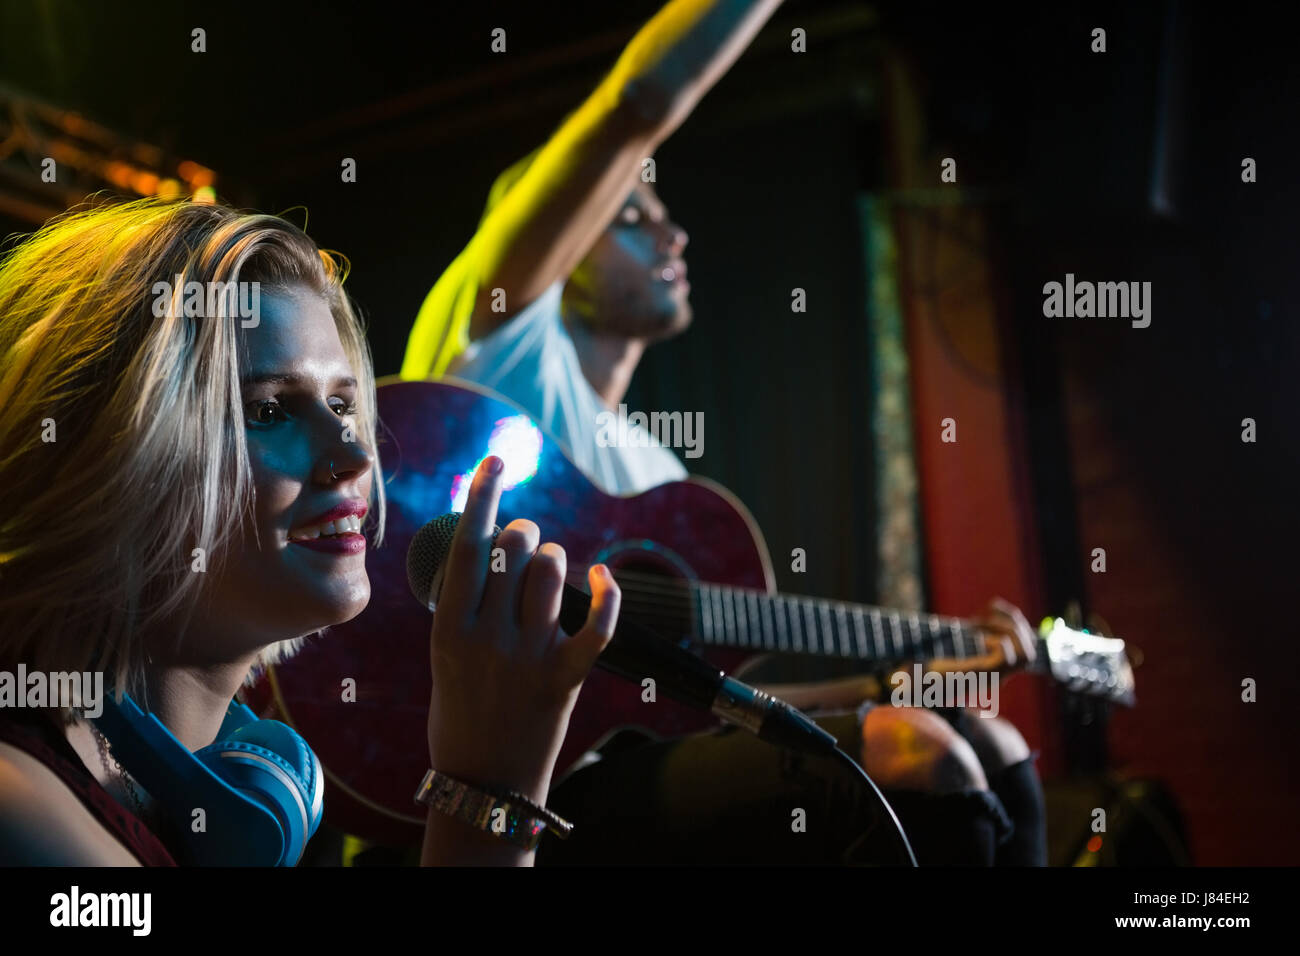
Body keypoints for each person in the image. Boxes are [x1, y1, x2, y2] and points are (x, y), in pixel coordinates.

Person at [400, 3, 1045, 864]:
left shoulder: (656, 472)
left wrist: (910, 675)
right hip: (537, 779)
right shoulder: (497, 336)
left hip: (642, 756)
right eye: (630, 214)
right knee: (920, 754)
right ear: (556, 242)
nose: (673, 230)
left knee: (991, 745)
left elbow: (714, 697)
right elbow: (639, 101)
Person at [0, 197, 616, 866]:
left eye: (344, 404)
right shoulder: (20, 807)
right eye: (270, 410)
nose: (354, 453)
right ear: (105, 453)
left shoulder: (227, 803)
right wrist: (485, 795)